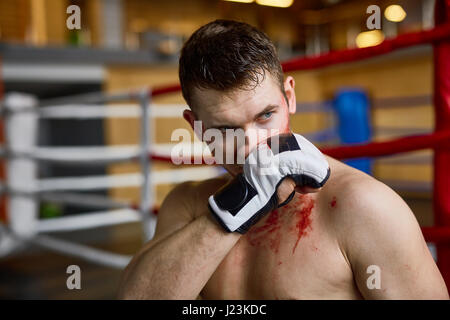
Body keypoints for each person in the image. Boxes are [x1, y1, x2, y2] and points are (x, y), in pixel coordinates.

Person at [118, 20, 449, 299]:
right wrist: (236, 208)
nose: (253, 145)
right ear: (197, 127)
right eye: (226, 129)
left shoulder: (362, 207)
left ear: (289, 97)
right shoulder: (189, 206)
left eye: (265, 116)